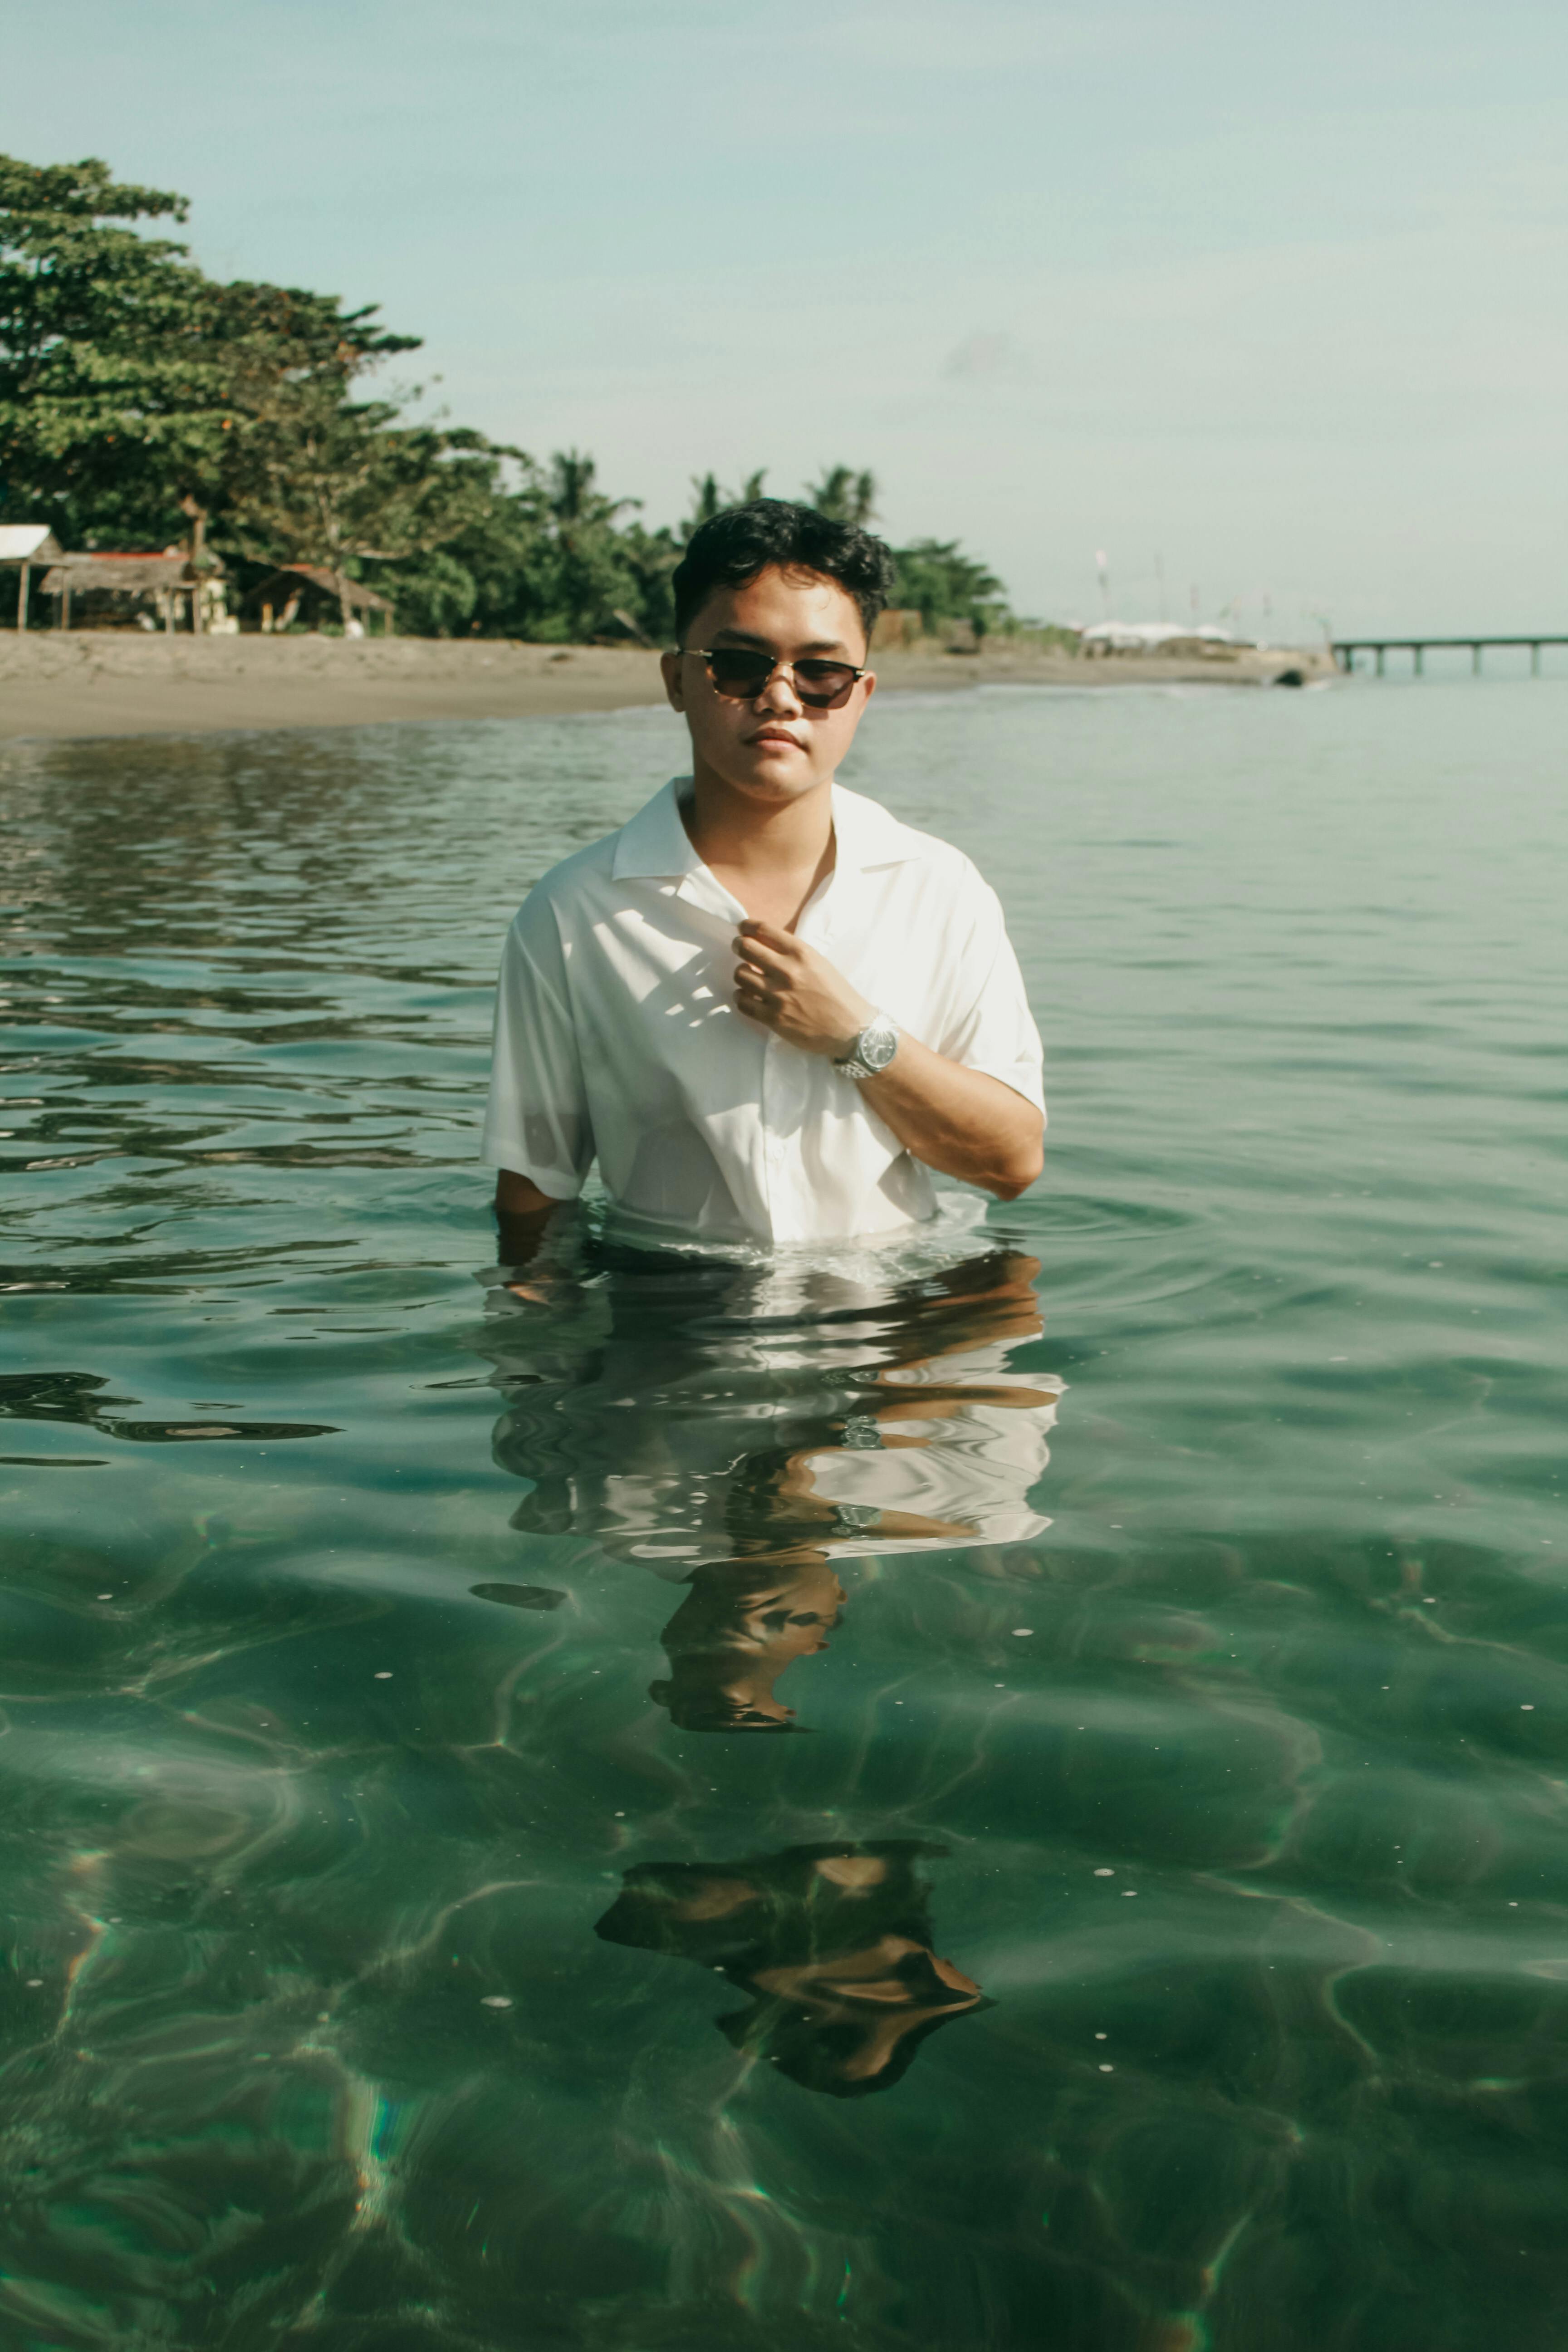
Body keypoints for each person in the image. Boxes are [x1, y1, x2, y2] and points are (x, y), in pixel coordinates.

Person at [482, 499, 1044, 1250]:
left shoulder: (938, 889)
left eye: (820, 673)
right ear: (679, 680)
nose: (780, 696)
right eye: (741, 666)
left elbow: (1011, 1163)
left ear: (860, 696)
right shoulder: (574, 914)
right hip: (672, 1325)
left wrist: (856, 1036)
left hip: (896, 1325)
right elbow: (533, 1200)